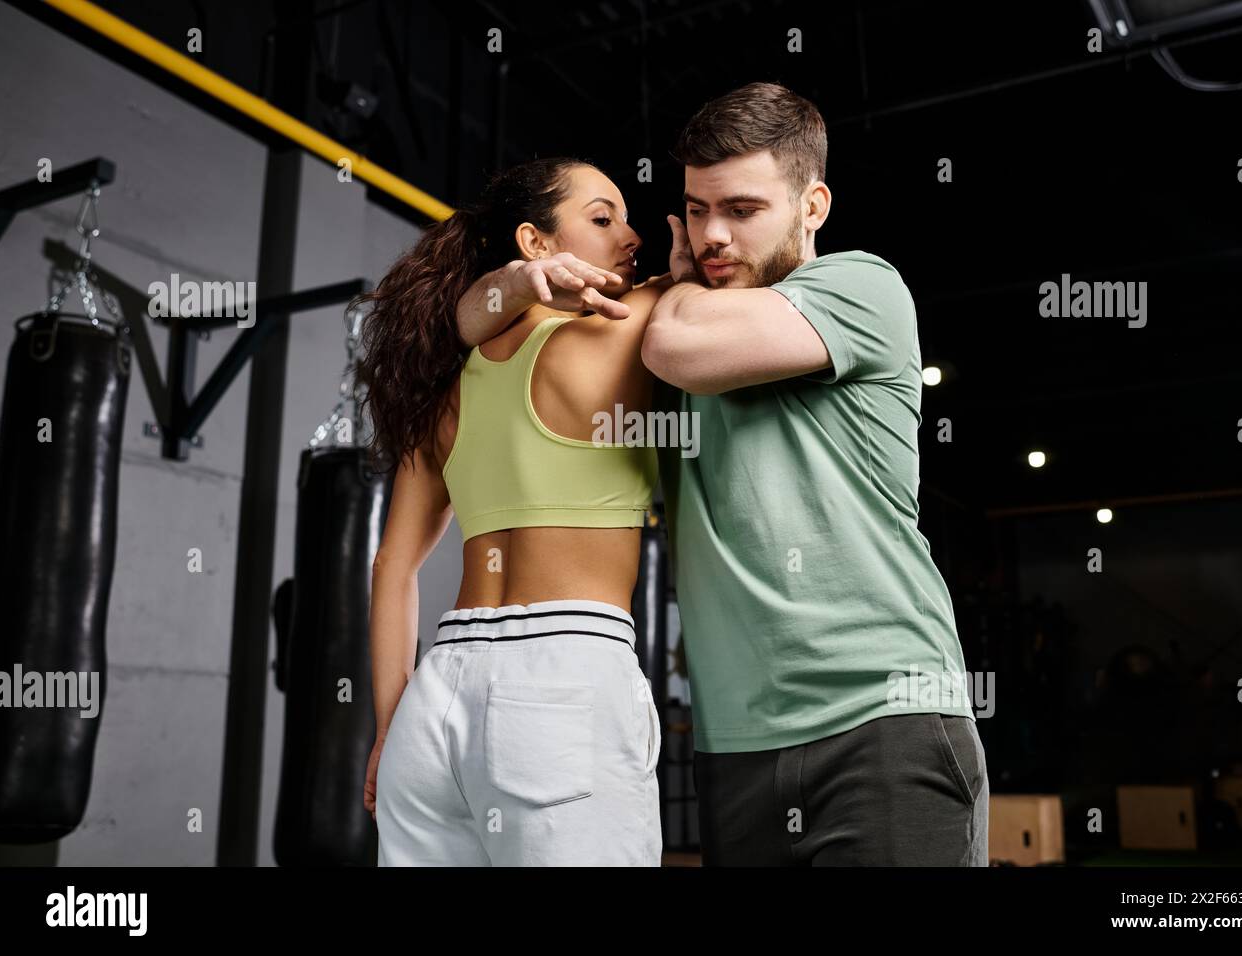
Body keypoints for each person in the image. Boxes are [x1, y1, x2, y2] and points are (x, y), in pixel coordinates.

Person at [644, 81, 989, 865]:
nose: (711, 236)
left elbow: (676, 350)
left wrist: (676, 289)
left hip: (884, 722)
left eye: (741, 209)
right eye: (696, 210)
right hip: (734, 741)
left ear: (813, 205)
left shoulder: (861, 286)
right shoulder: (685, 315)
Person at [358, 157, 669, 866]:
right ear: (535, 245)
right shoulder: (619, 329)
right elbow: (727, 270)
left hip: (434, 705)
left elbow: (392, 565)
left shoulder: (439, 391)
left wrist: (388, 731)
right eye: (603, 218)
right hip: (563, 682)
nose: (632, 234)